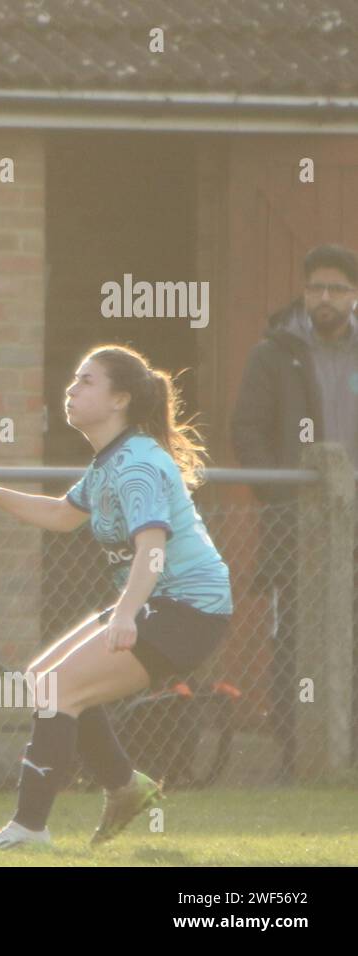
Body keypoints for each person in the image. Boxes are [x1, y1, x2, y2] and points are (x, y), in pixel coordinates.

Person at [0, 345, 233, 850]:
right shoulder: (112, 460)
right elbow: (63, 515)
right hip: (163, 602)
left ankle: (29, 829)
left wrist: (125, 614)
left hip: (188, 609)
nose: (72, 388)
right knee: (46, 682)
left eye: (86, 381)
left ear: (120, 399)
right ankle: (126, 788)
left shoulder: (136, 465)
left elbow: (153, 549)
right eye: (75, 379)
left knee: (60, 688)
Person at [231, 244, 358, 779]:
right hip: (296, 527)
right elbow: (247, 431)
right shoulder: (274, 353)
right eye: (316, 288)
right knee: (295, 640)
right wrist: (286, 500)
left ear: (353, 295)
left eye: (336, 288)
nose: (324, 298)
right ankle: (294, 755)